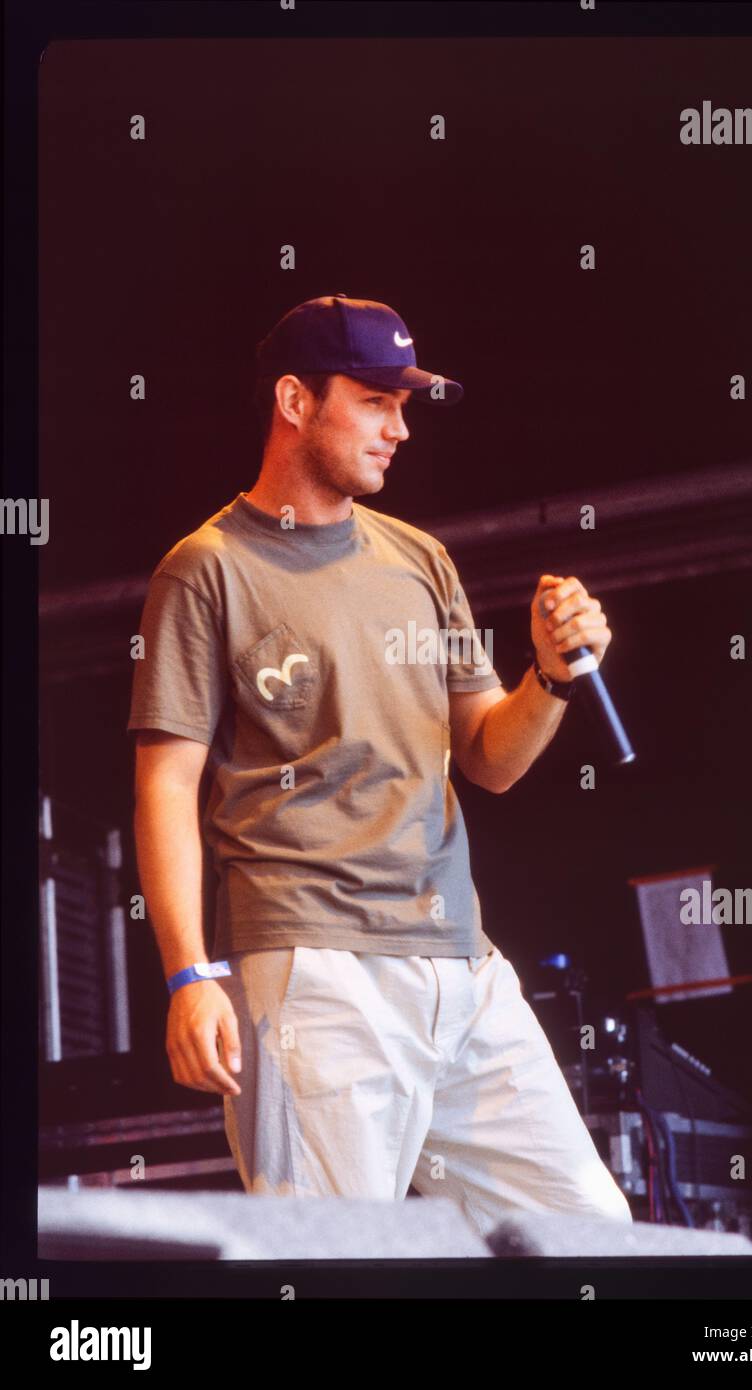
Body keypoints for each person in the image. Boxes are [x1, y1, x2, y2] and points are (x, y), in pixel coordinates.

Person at [127, 294, 632, 1236]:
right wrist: (188, 977)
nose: (400, 428)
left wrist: (551, 679)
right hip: (314, 969)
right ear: (293, 400)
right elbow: (165, 785)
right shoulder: (205, 570)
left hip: (460, 966)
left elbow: (489, 758)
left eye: (407, 404)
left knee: (593, 1238)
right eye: (374, 401)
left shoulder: (420, 560)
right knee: (338, 1264)